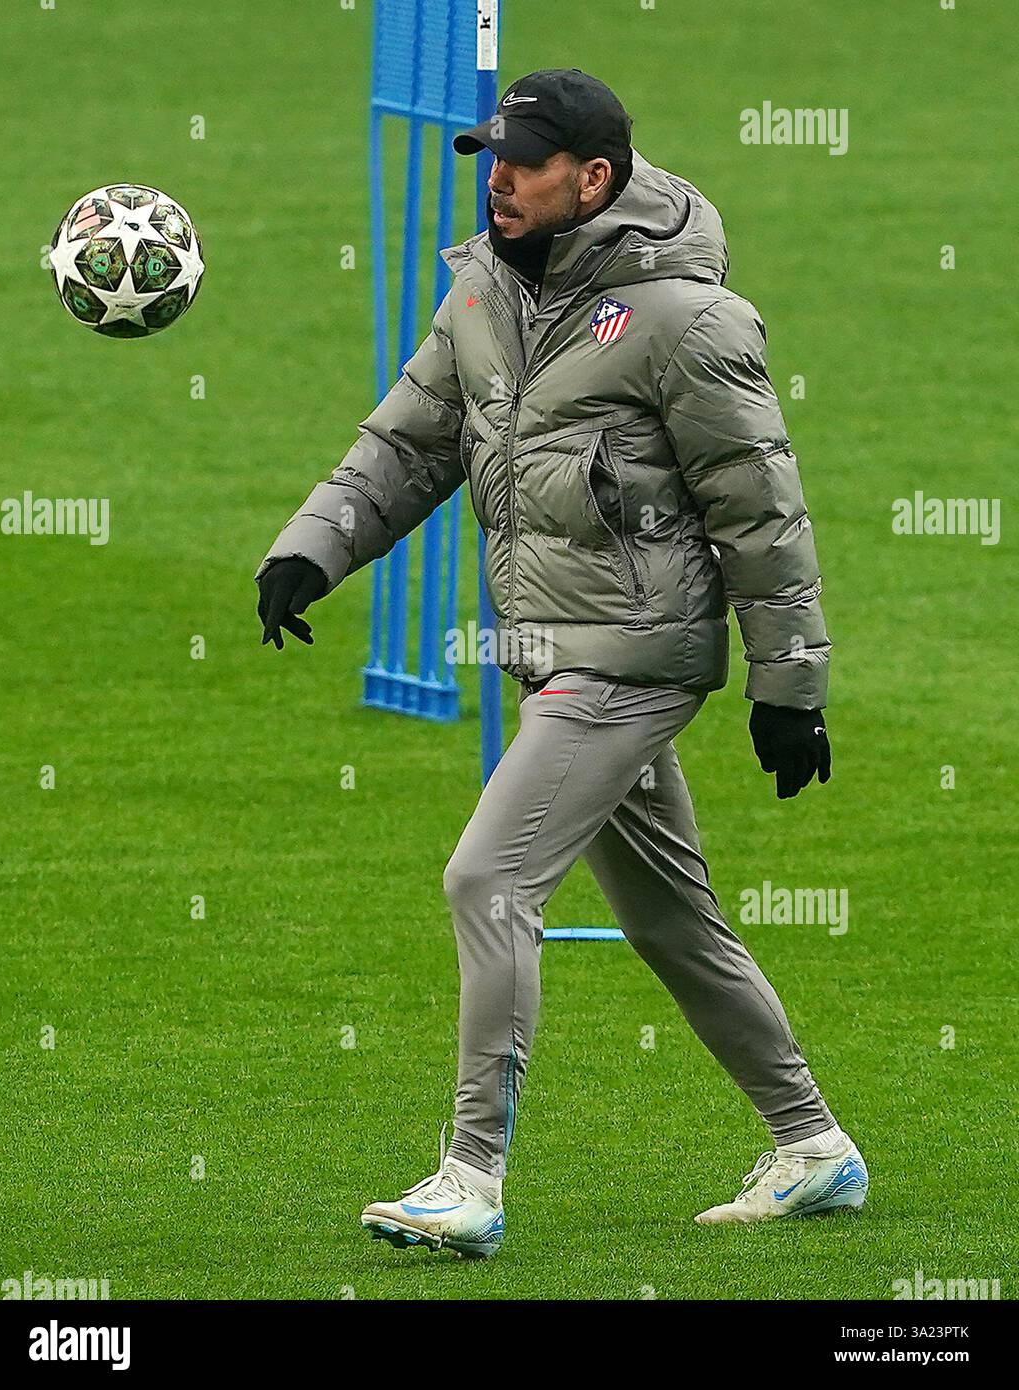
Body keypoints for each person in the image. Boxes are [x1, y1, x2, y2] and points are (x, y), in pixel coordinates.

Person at [256, 68, 867, 1259]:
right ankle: (813, 1149)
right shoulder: (480, 291)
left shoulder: (688, 321)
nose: (498, 177)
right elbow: (408, 438)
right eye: (491, 155)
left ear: (592, 179)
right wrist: (312, 549)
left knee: (486, 881)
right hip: (550, 655)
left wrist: (787, 687)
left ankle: (468, 1177)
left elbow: (762, 517)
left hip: (631, 662)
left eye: (524, 162)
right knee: (671, 924)